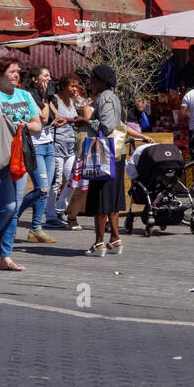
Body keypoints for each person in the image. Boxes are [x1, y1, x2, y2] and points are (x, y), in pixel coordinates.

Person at [0, 57, 41, 272]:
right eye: (13, 71)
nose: (17, 75)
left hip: (18, 157)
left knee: (13, 210)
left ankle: (5, 257)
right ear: (0, 74)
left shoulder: (25, 95)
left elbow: (37, 125)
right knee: (8, 205)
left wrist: (24, 124)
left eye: (18, 72)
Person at [83, 63, 130, 257]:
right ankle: (115, 239)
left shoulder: (105, 98)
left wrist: (85, 121)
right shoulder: (112, 97)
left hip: (104, 154)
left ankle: (98, 243)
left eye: (93, 80)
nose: (91, 83)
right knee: (113, 197)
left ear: (102, 82)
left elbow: (108, 126)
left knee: (101, 198)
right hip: (115, 152)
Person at [18, 66, 58, 244]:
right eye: (45, 75)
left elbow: (56, 116)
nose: (49, 79)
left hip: (48, 144)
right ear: (34, 79)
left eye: (50, 75)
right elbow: (43, 118)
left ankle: (35, 229)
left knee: (45, 191)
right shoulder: (29, 95)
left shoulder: (46, 95)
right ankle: (13, 215)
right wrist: (45, 99)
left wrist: (48, 99)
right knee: (41, 188)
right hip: (35, 146)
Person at [45, 73, 88, 231]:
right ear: (63, 86)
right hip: (56, 146)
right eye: (72, 86)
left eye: (76, 86)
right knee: (55, 183)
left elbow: (80, 117)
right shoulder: (54, 100)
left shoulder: (72, 102)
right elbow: (52, 119)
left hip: (70, 148)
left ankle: (59, 210)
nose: (75, 89)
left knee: (73, 179)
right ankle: (50, 216)